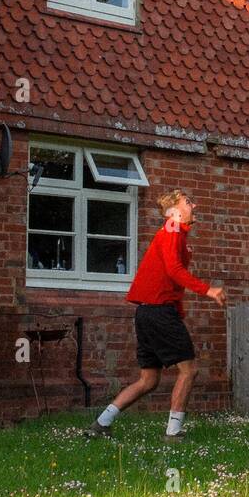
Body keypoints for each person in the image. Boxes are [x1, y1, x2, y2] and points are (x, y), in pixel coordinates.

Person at [90, 189, 224, 441]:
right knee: (189, 370)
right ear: (174, 210)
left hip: (147, 312)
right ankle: (173, 432)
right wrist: (208, 290)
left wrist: (179, 311)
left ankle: (101, 423)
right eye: (188, 201)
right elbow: (174, 271)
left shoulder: (175, 234)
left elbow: (171, 282)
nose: (194, 204)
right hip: (159, 312)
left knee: (149, 379)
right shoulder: (172, 229)